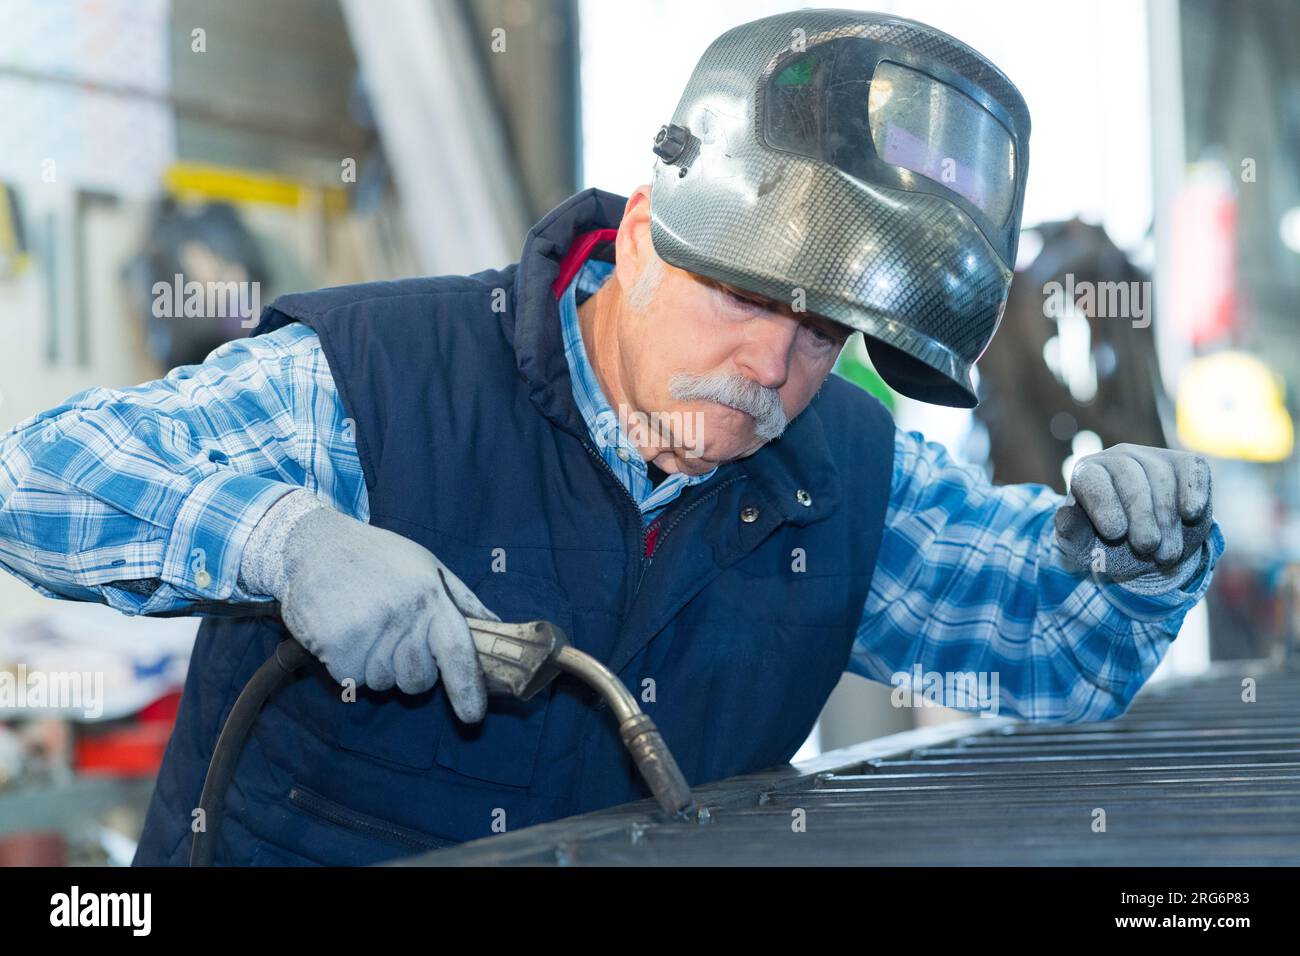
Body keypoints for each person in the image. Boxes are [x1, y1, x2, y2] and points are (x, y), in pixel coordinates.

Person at [0, 10, 1222, 865]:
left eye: (821, 340)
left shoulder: (843, 471)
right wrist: (281, 535)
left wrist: (1131, 553)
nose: (771, 369)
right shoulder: (377, 380)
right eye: (745, 298)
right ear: (641, 232)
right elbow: (33, 481)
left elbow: (1048, 649)